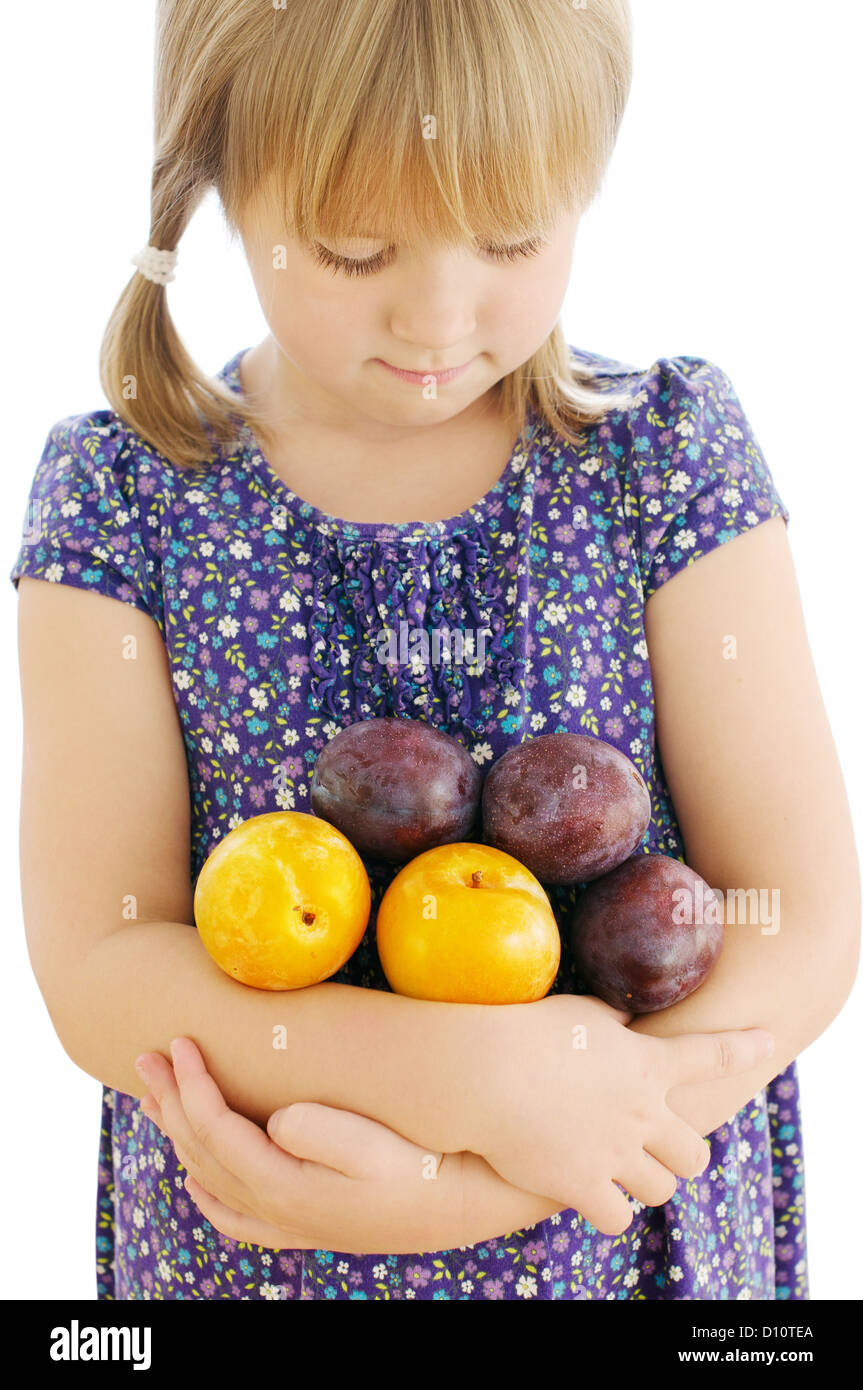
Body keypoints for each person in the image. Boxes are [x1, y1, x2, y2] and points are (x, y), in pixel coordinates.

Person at [10, 0, 858, 1301]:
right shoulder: (126, 494)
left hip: (633, 1243)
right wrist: (468, 1082)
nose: (438, 318)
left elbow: (790, 915)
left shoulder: (666, 455)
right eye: (354, 251)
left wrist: (478, 1186)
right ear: (220, 179)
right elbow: (104, 968)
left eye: (513, 235)